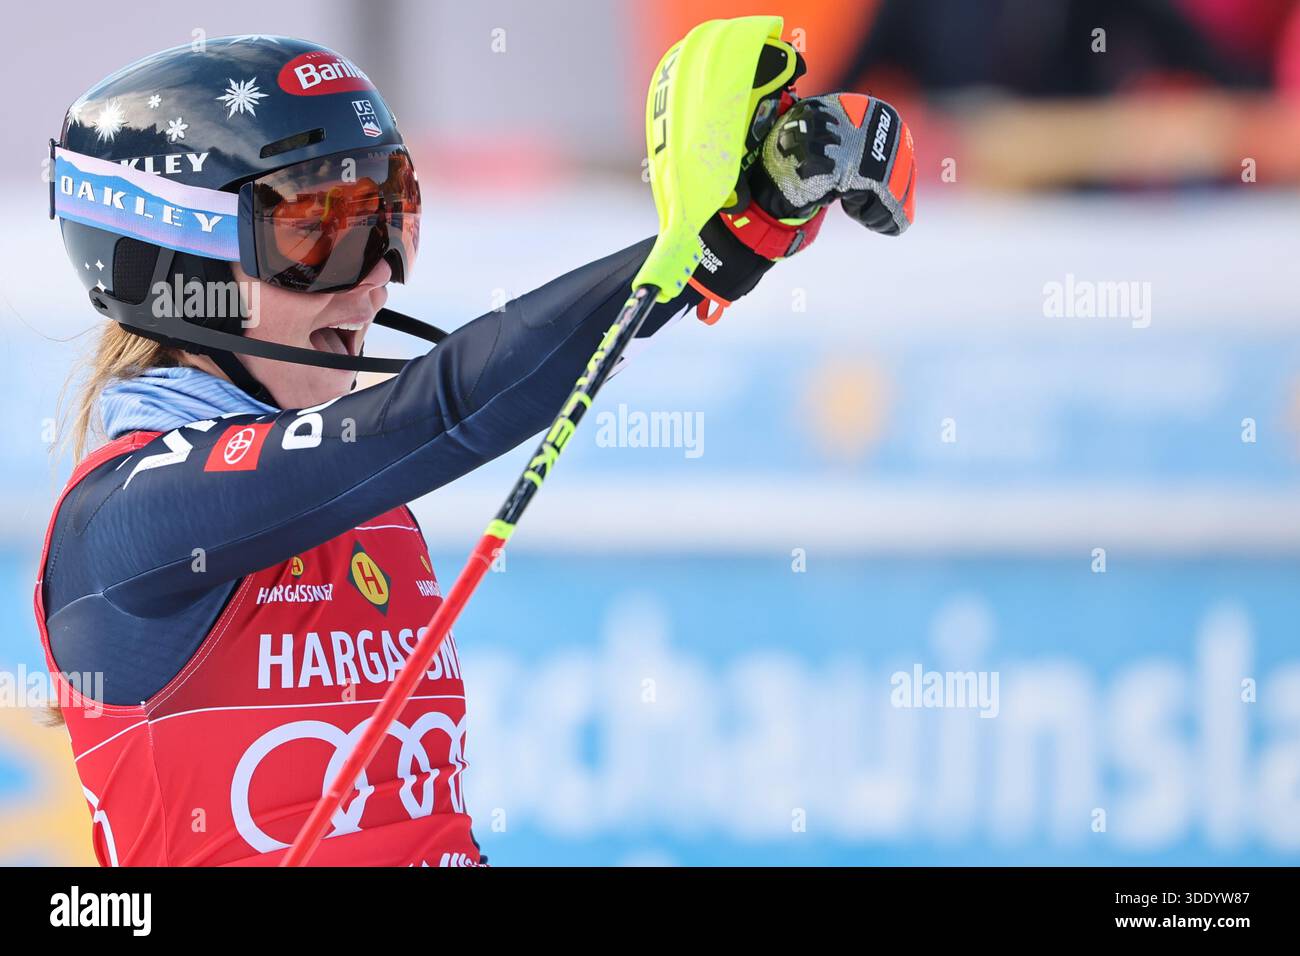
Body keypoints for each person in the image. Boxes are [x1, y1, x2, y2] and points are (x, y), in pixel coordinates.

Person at [36, 34, 915, 866]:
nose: (377, 273)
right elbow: (438, 407)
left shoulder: (371, 516)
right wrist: (700, 248)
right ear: (179, 275)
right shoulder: (124, 523)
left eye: (390, 215)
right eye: (321, 229)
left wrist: (731, 229)